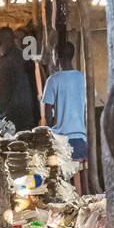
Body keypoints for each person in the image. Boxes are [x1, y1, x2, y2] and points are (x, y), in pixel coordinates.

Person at [41, 41, 88, 191]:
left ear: (56, 56)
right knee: (80, 180)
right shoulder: (83, 78)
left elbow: (47, 114)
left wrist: (48, 133)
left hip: (61, 141)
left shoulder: (53, 80)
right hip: (81, 139)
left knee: (61, 183)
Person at [0, 25, 40, 131]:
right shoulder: (26, 59)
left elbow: (1, 99)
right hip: (30, 119)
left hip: (12, 123)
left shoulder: (4, 65)